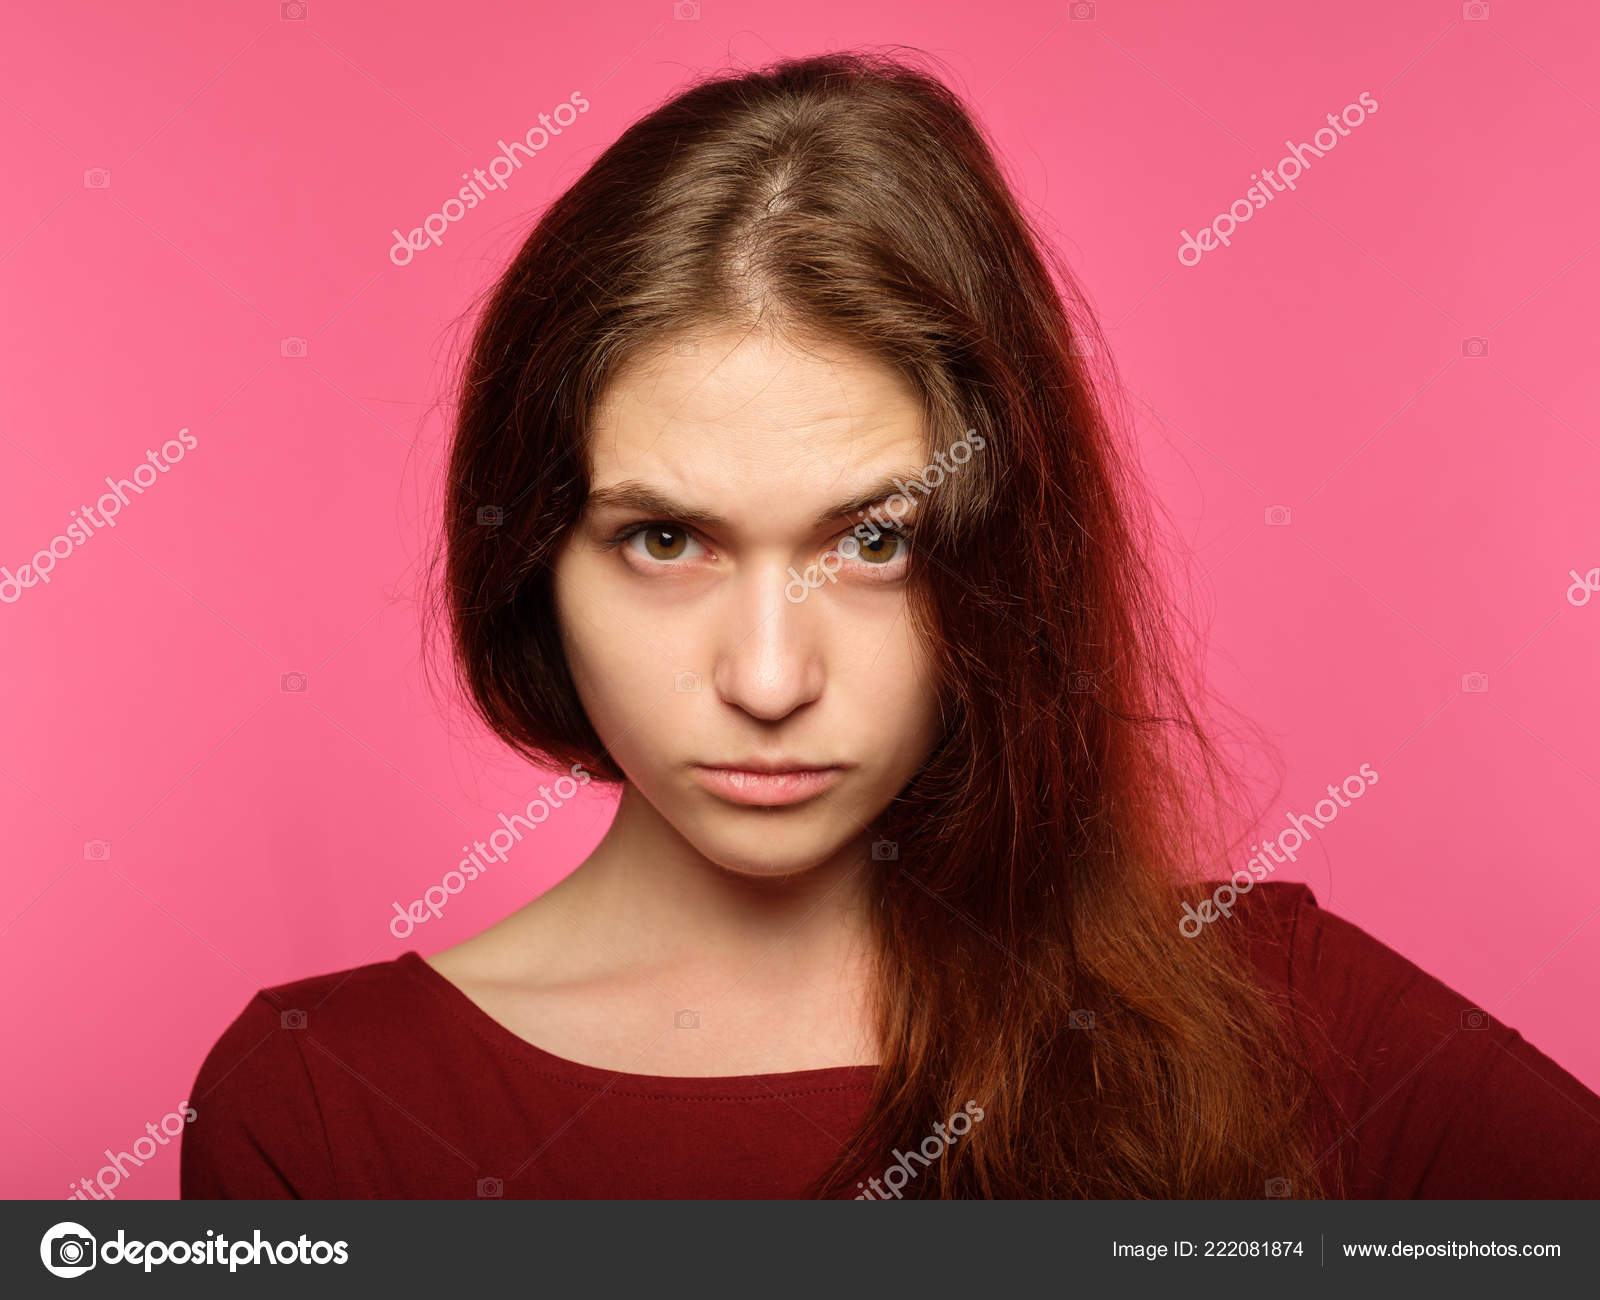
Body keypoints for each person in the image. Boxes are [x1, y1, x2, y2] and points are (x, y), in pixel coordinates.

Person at [182, 49, 1600, 1199]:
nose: (768, 675)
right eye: (664, 538)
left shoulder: (1277, 1016)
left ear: (1005, 559)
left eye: (875, 541)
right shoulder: (326, 1107)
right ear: (534, 554)